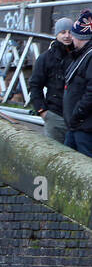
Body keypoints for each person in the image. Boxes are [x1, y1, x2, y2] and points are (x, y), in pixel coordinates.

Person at [28, 17, 75, 143]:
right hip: (55, 115)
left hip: (77, 117)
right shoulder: (45, 58)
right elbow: (35, 85)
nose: (67, 36)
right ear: (56, 34)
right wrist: (42, 110)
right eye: (63, 32)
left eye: (70, 32)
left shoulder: (80, 56)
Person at [62, 10, 92, 157]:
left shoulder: (89, 56)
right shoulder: (82, 55)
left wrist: (78, 114)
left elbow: (90, 92)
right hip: (76, 125)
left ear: (79, 37)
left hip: (84, 127)